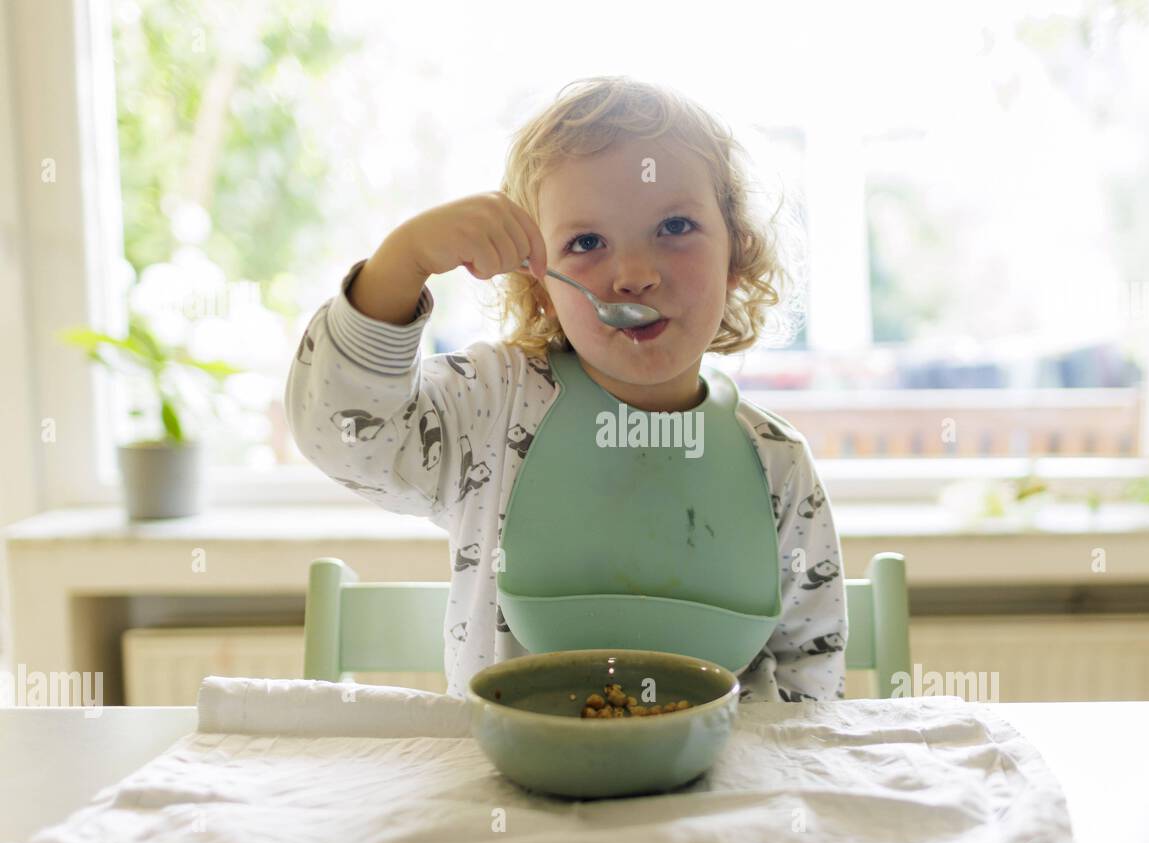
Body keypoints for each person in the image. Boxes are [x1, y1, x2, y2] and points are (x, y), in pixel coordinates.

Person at [286, 76, 847, 702]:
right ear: (539, 285)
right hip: (513, 791)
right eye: (586, 243)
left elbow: (807, 673)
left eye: (675, 226)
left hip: (718, 792)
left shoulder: (776, 462)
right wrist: (401, 261)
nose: (633, 275)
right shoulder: (489, 410)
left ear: (736, 254)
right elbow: (340, 430)